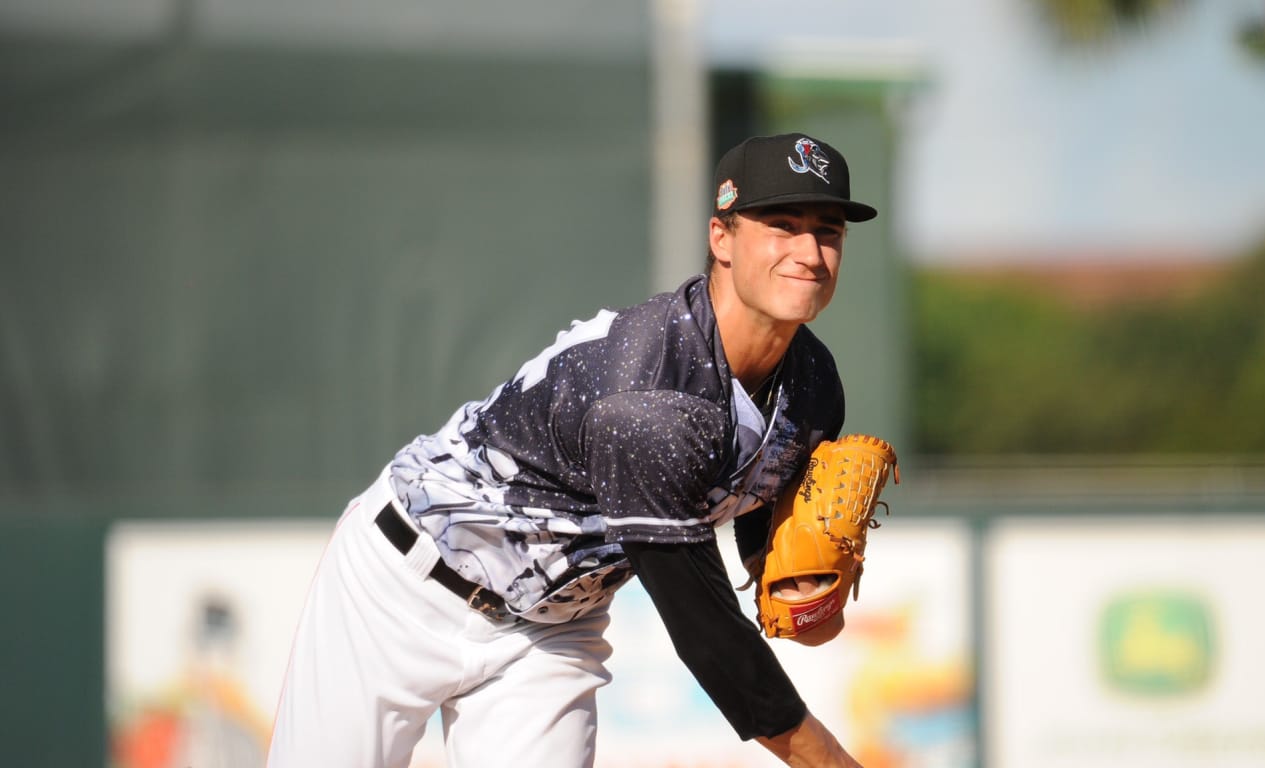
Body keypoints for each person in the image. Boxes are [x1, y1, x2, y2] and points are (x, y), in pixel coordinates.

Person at [268, 133, 879, 768]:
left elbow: (759, 507)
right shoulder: (650, 396)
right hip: (403, 585)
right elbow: (704, 631)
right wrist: (831, 761)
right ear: (720, 239)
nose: (809, 252)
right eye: (782, 225)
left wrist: (795, 583)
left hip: (550, 628)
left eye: (828, 230)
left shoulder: (812, 385)